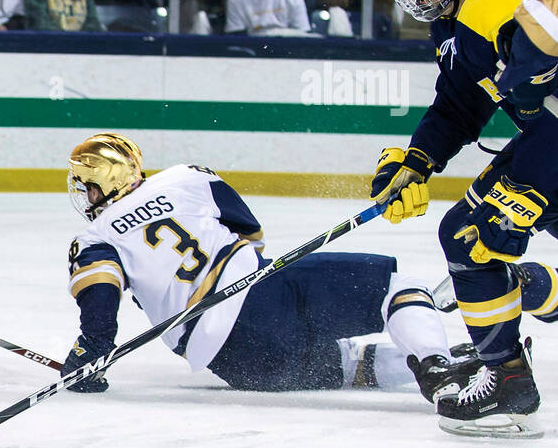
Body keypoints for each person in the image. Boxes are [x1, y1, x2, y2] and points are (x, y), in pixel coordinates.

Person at [59, 133, 458, 399]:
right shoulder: (186, 179)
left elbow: (101, 296)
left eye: (87, 185)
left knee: (350, 363)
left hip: (238, 363)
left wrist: (90, 355)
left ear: (105, 181)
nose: (85, 194)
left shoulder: (93, 239)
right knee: (396, 286)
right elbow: (251, 233)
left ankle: (453, 361)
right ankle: (437, 364)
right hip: (262, 296)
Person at [368, 0, 558, 436]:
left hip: (554, 140)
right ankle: (526, 299)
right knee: (475, 234)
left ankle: (509, 381)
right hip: (549, 139)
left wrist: (529, 190)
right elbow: (458, 104)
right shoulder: (460, 15)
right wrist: (417, 160)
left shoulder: (506, 7)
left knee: (471, 235)